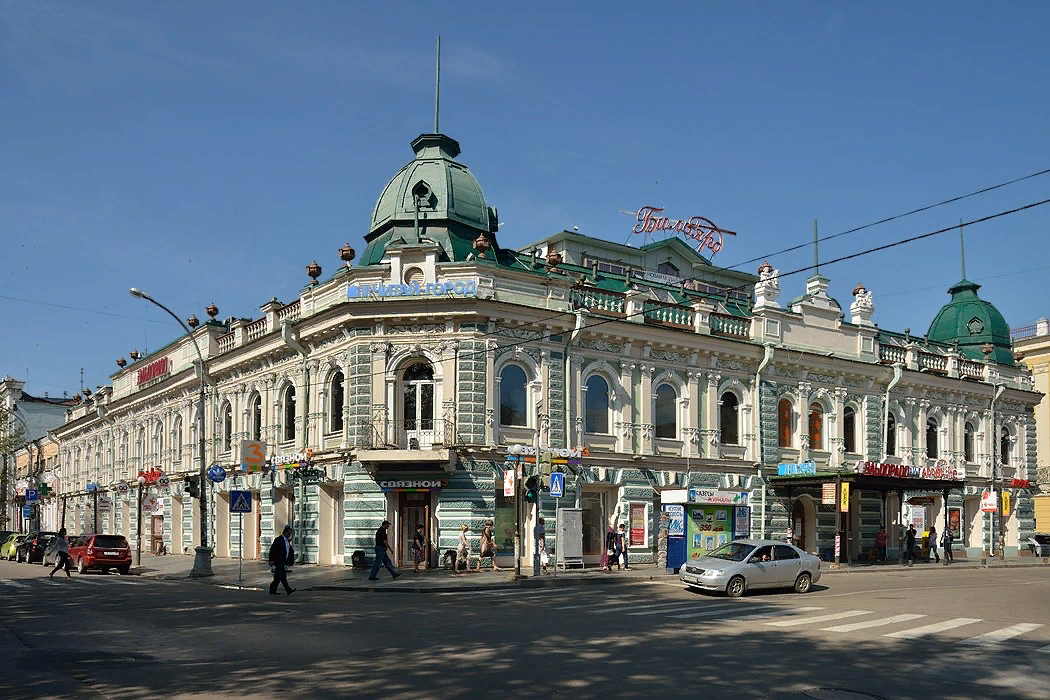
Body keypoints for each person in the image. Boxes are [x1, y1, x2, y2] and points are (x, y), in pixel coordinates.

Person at [268, 525, 296, 595]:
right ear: (285, 533)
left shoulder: (287, 541)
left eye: (290, 534)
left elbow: (288, 551)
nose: (289, 535)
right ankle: (288, 590)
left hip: (283, 561)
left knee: (277, 577)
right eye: (288, 533)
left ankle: (272, 590)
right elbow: (272, 550)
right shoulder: (278, 540)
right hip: (278, 561)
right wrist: (271, 560)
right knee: (283, 576)